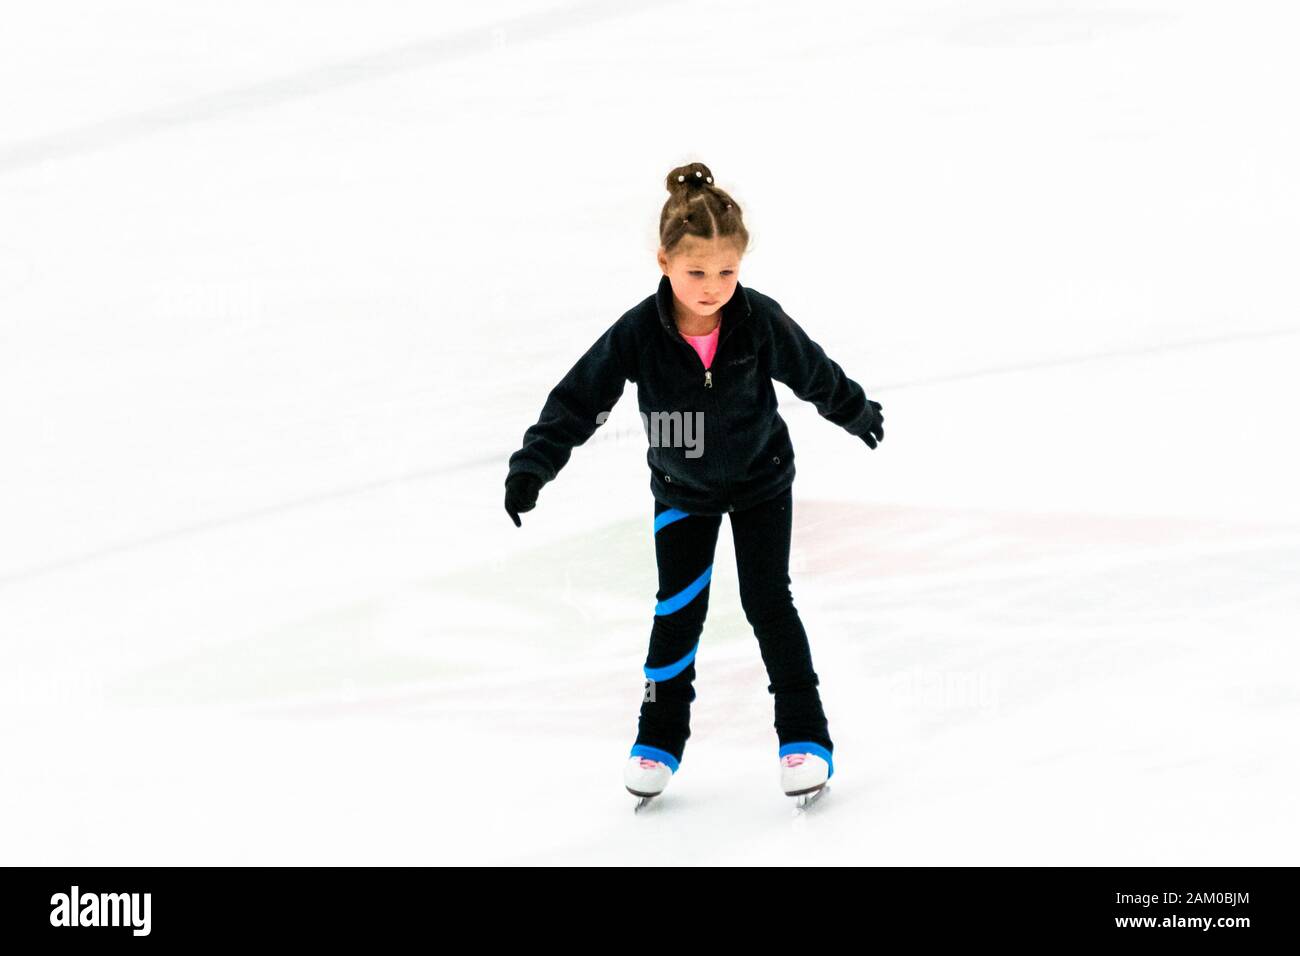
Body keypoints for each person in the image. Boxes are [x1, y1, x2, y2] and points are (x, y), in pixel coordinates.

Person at [504, 161, 884, 804]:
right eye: (697, 272)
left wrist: (853, 410)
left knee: (769, 602)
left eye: (727, 272)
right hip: (683, 492)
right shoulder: (638, 334)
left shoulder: (757, 319)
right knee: (677, 612)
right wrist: (533, 466)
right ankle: (656, 741)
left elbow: (811, 369)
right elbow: (578, 400)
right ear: (664, 263)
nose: (713, 288)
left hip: (763, 481)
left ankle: (804, 736)